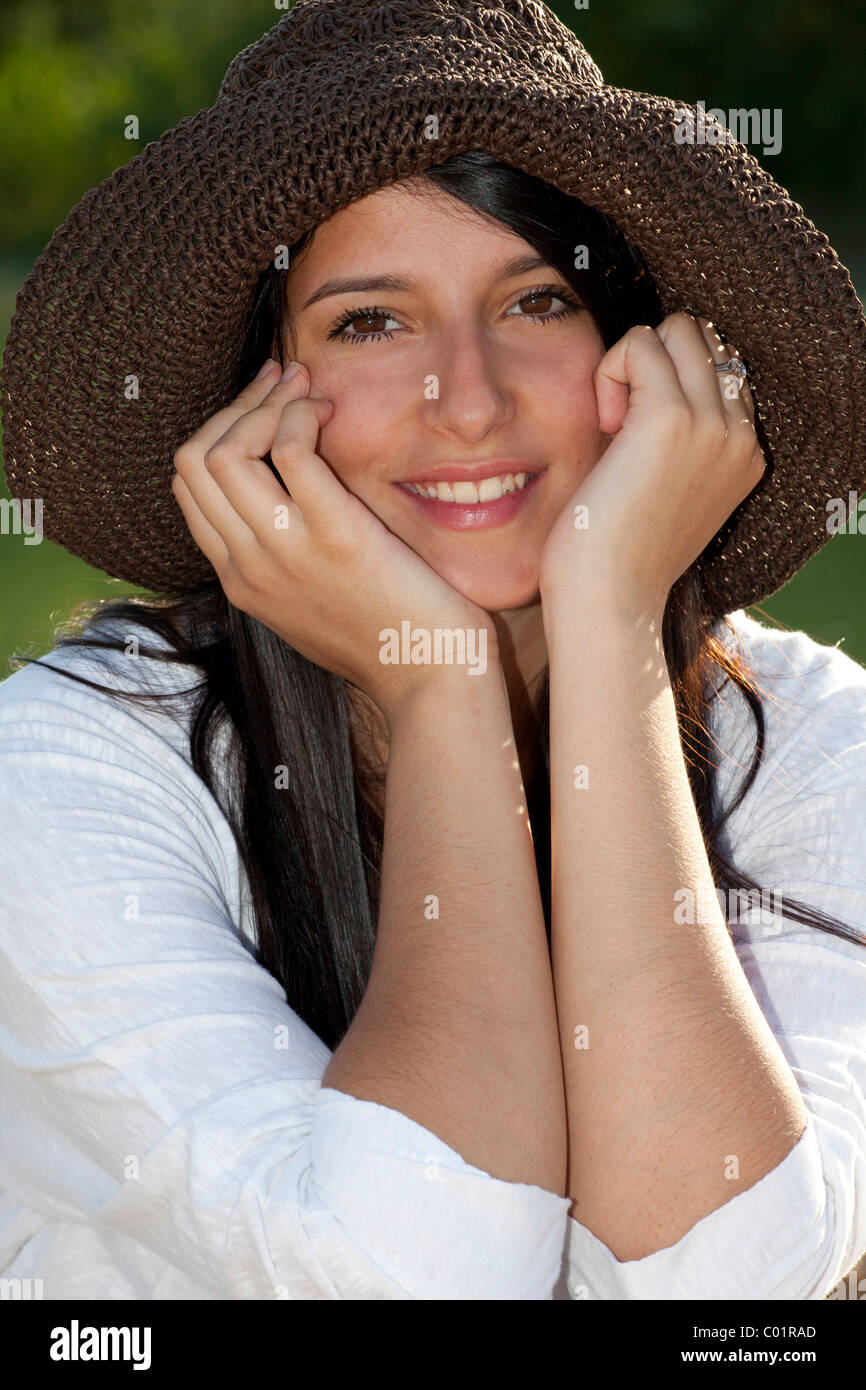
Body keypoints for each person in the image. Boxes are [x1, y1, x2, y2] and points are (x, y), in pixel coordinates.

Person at [1, 0, 865, 1302]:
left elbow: (724, 1292)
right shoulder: (63, 769)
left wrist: (614, 634)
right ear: (252, 401)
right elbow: (411, 1276)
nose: (466, 397)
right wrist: (440, 684)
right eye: (368, 322)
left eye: (536, 297)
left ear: (650, 361)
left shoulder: (812, 742)